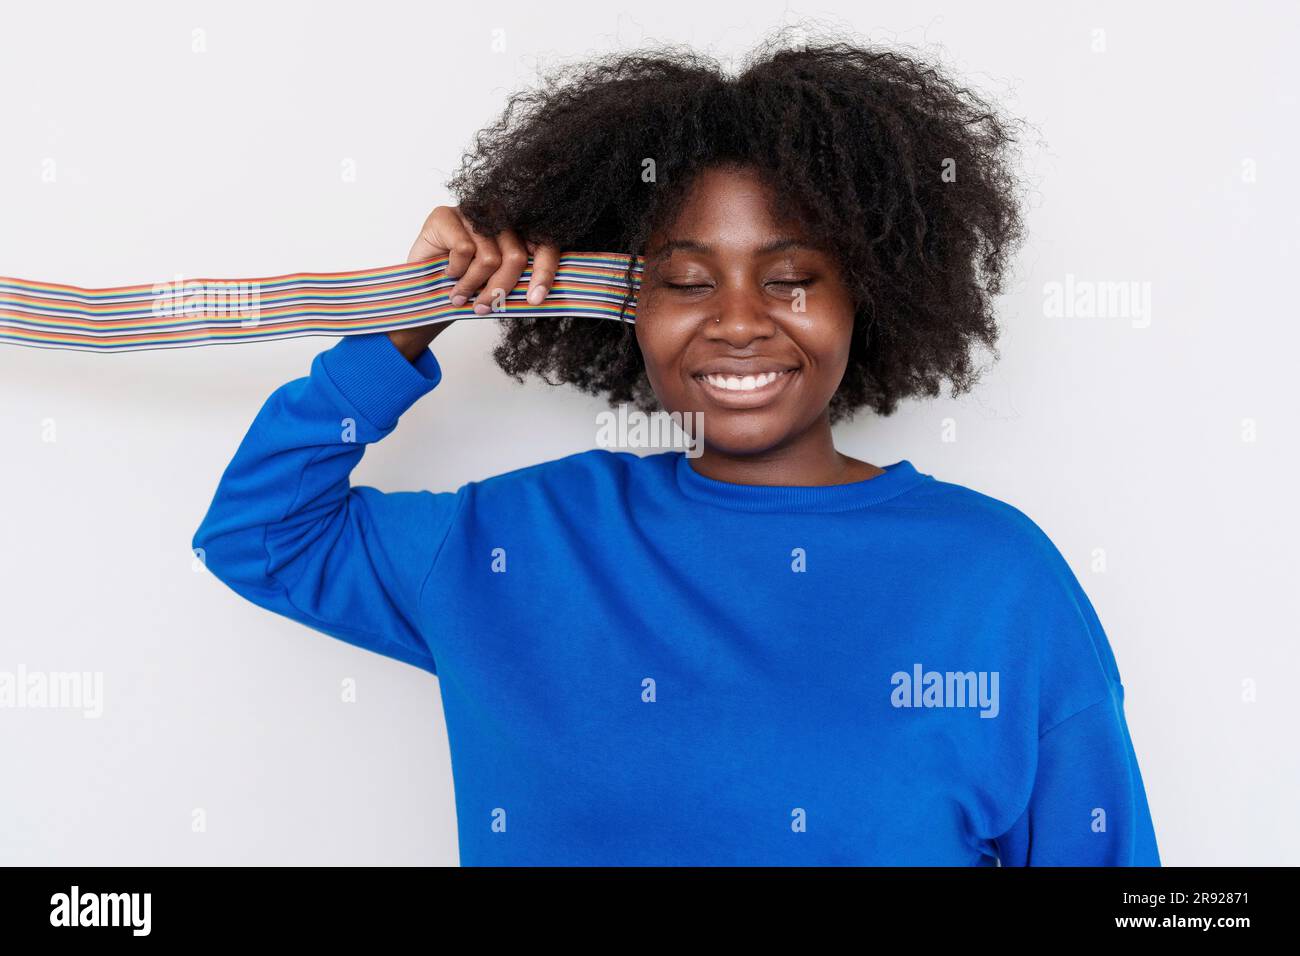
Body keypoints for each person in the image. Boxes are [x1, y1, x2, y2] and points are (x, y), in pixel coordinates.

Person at [192, 31, 1161, 866]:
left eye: (790, 278)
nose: (737, 322)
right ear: (624, 305)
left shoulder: (996, 577)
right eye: (687, 281)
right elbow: (258, 533)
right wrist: (404, 322)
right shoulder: (517, 542)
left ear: (864, 294)